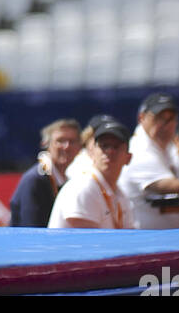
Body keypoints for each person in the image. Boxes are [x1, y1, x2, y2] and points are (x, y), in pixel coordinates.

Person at [48, 117, 134, 229]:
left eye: (116, 147)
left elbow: (130, 235)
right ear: (91, 153)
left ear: (128, 158)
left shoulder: (120, 194)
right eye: (104, 146)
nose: (110, 151)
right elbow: (88, 242)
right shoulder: (83, 187)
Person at [118, 92, 179, 230]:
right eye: (159, 118)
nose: (166, 125)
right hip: (144, 244)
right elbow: (167, 186)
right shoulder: (138, 149)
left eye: (171, 119)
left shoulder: (167, 146)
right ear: (142, 118)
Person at [9, 119, 82, 227]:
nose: (67, 146)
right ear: (46, 144)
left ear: (80, 146)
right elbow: (31, 231)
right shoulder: (35, 180)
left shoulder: (72, 180)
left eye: (72, 141)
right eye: (60, 141)